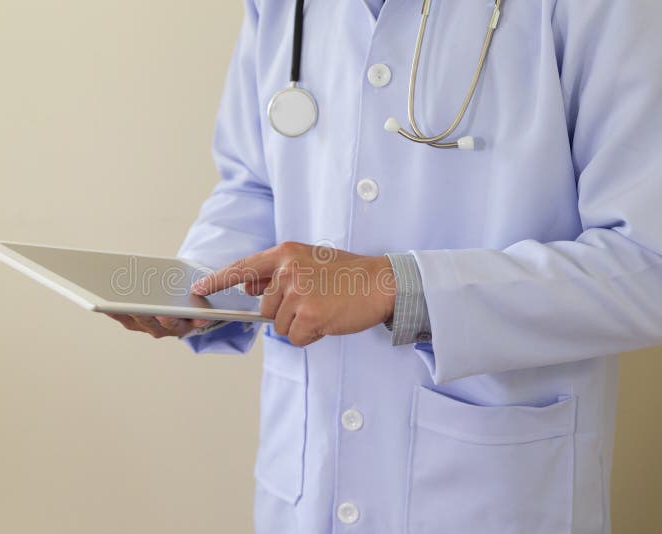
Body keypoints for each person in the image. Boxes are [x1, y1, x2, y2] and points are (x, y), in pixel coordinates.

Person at [108, 0, 662, 532]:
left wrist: (398, 288)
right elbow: (254, 183)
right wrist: (200, 286)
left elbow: (647, 264)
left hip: (491, 489)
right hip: (308, 479)